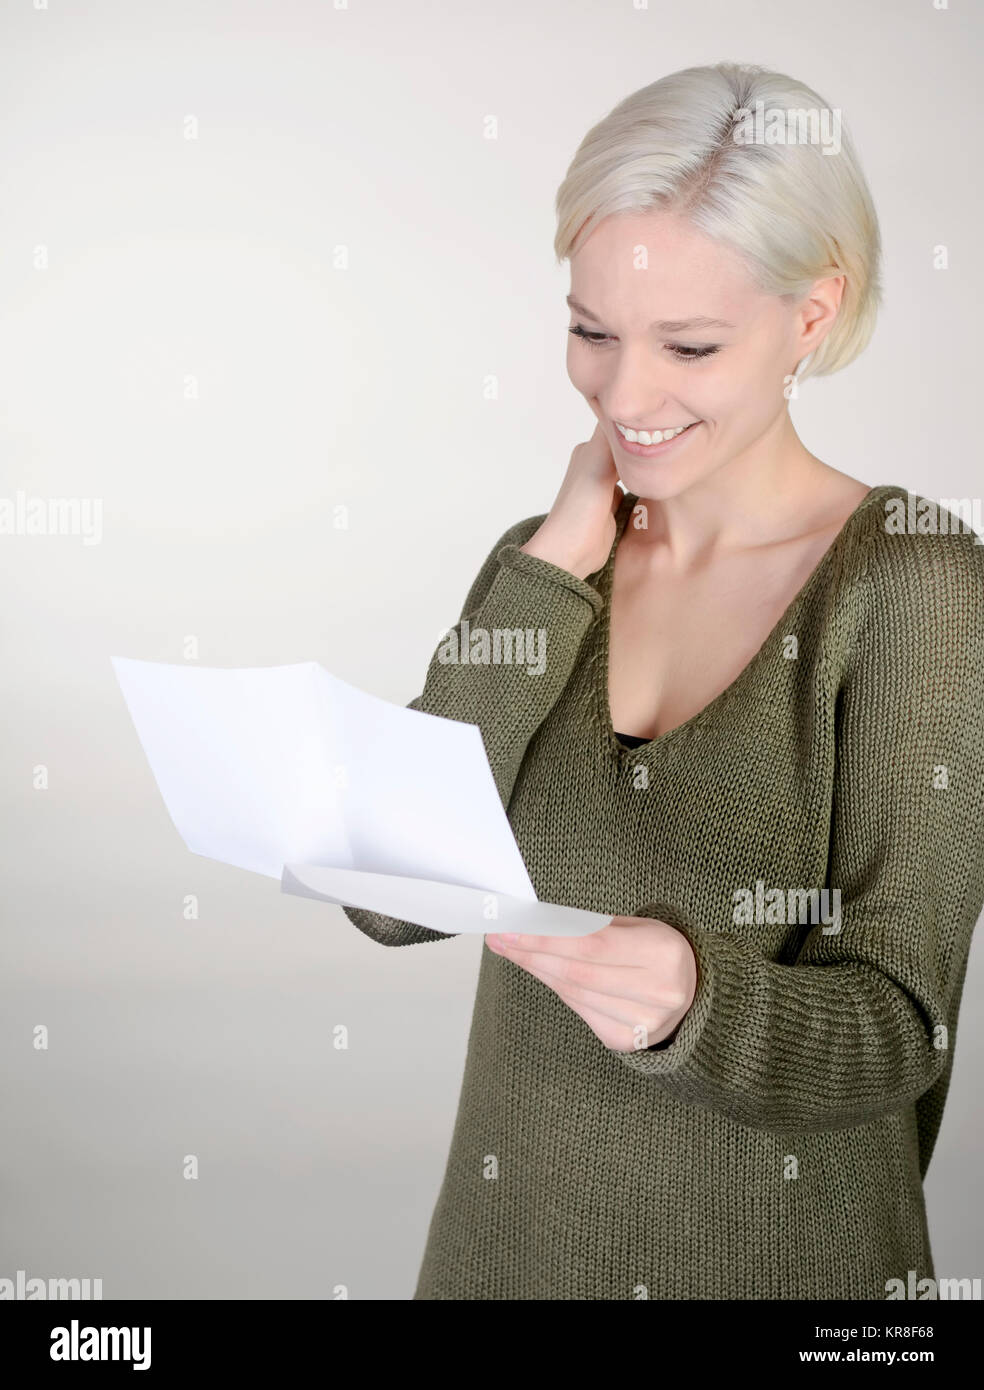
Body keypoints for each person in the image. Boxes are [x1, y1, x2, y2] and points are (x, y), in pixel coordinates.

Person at [343, 61, 984, 1300]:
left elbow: (907, 1026)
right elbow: (389, 898)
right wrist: (555, 566)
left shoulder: (911, 584)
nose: (624, 397)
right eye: (591, 332)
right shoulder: (542, 568)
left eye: (689, 344)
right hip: (502, 1265)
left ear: (813, 313)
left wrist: (699, 996)